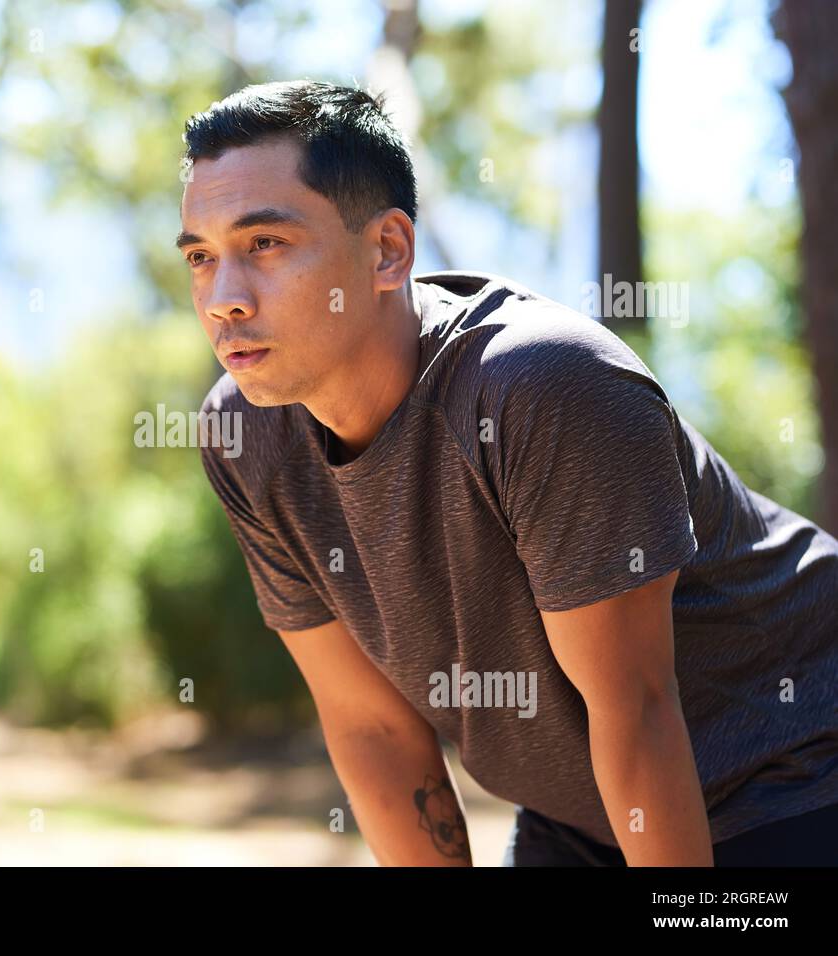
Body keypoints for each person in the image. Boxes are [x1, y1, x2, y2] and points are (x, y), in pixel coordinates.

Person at [177, 80, 838, 866]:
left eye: (265, 245)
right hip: (582, 811)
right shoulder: (245, 435)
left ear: (387, 250)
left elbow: (637, 709)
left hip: (795, 768)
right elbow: (372, 726)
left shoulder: (541, 384)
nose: (223, 299)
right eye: (200, 257)